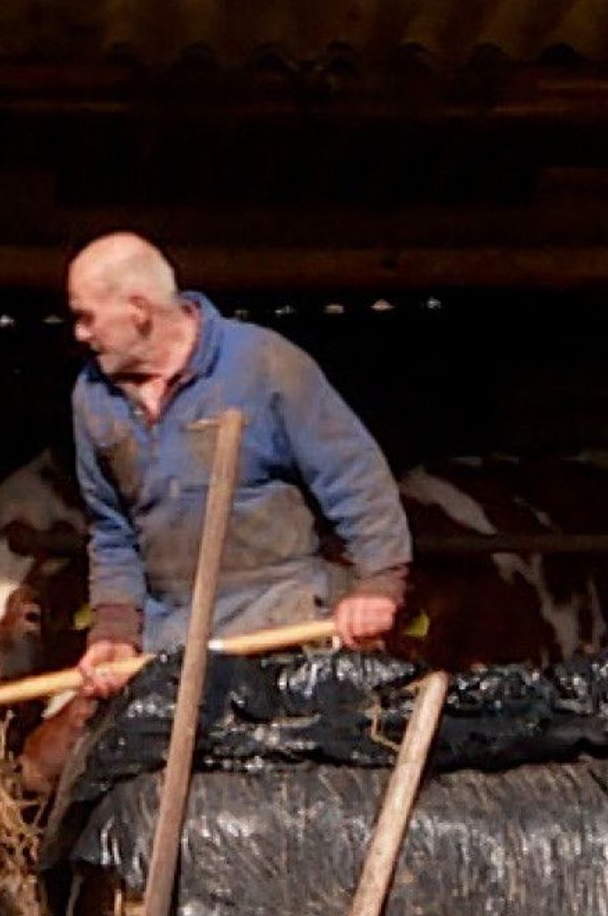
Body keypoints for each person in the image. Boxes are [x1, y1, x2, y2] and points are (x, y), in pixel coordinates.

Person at [65, 231, 412, 697]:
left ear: (139, 310)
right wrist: (114, 631)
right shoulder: (93, 399)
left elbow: (354, 477)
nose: (80, 334)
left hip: (284, 615)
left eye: (87, 317)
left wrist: (376, 586)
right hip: (171, 632)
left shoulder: (264, 364)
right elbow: (111, 530)